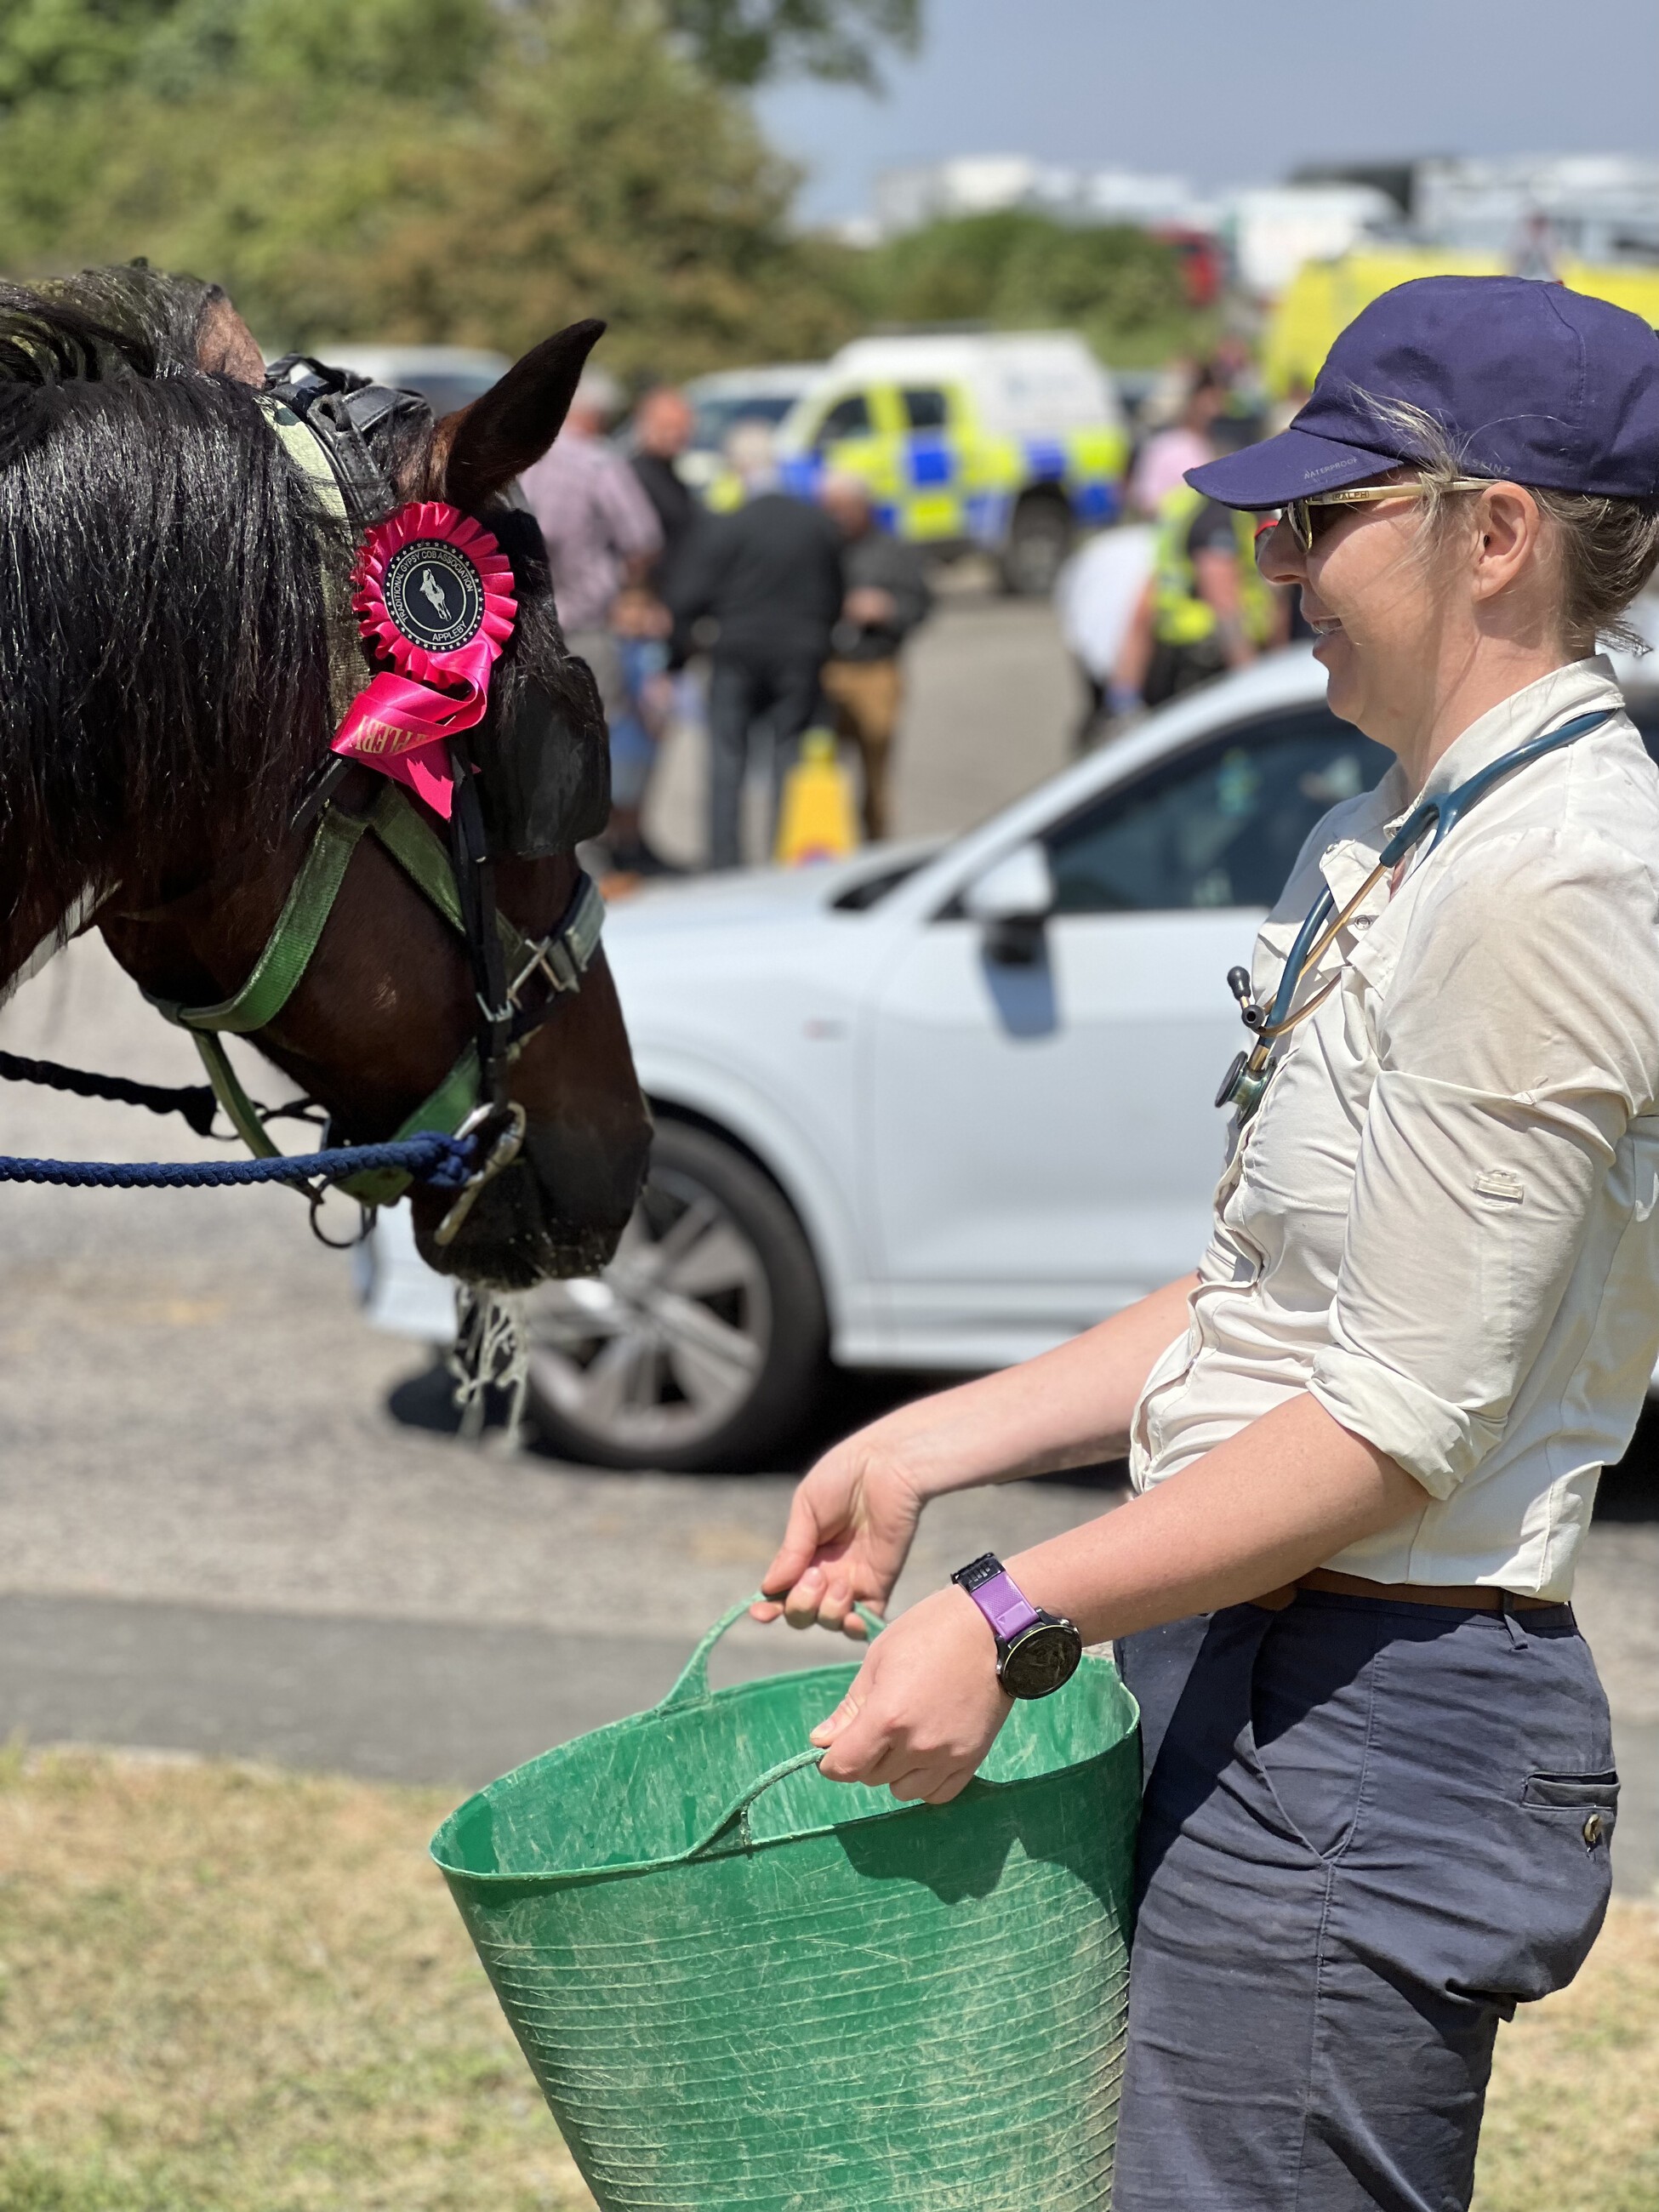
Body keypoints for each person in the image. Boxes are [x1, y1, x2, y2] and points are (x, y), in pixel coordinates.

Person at [751, 274, 1659, 2211]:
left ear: (1494, 534)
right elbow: (1267, 1297)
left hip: (1369, 1715)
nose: (1274, 562)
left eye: (1324, 515)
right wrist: (929, 1439)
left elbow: (1391, 1423)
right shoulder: (1395, 830)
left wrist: (1006, 1614)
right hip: (1252, 1659)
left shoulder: (1548, 876)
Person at [669, 420, 844, 869]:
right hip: (800, 654)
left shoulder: (728, 525)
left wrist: (681, 646)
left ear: (738, 467)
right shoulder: (816, 522)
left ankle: (726, 863)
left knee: (727, 759)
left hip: (736, 651)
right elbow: (837, 590)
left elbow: (688, 596)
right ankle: (786, 855)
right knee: (788, 753)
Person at [518, 364, 664, 868]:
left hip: (522, 624)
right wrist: (631, 589)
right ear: (595, 415)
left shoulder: (523, 457)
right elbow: (643, 539)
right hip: (588, 626)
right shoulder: (600, 463)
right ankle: (595, 850)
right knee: (593, 733)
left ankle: (544, 849)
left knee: (538, 737)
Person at [1115, 415, 1284, 709]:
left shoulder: (1184, 503)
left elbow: (1146, 603)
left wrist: (1123, 691)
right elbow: (1225, 609)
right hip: (1211, 665)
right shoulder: (1223, 510)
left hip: (1179, 660)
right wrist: (1258, 691)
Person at [817, 475, 932, 841]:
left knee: (876, 767)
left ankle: (877, 842)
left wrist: (887, 608)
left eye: (846, 508)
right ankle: (827, 845)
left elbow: (922, 604)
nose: (839, 517)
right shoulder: (820, 548)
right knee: (821, 767)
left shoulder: (893, 550)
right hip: (828, 668)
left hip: (876, 668)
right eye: (831, 509)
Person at [1053, 517, 1156, 750]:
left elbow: (1065, 597)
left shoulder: (1100, 546)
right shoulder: (1158, 546)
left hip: (1090, 651)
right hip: (1132, 666)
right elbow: (1142, 615)